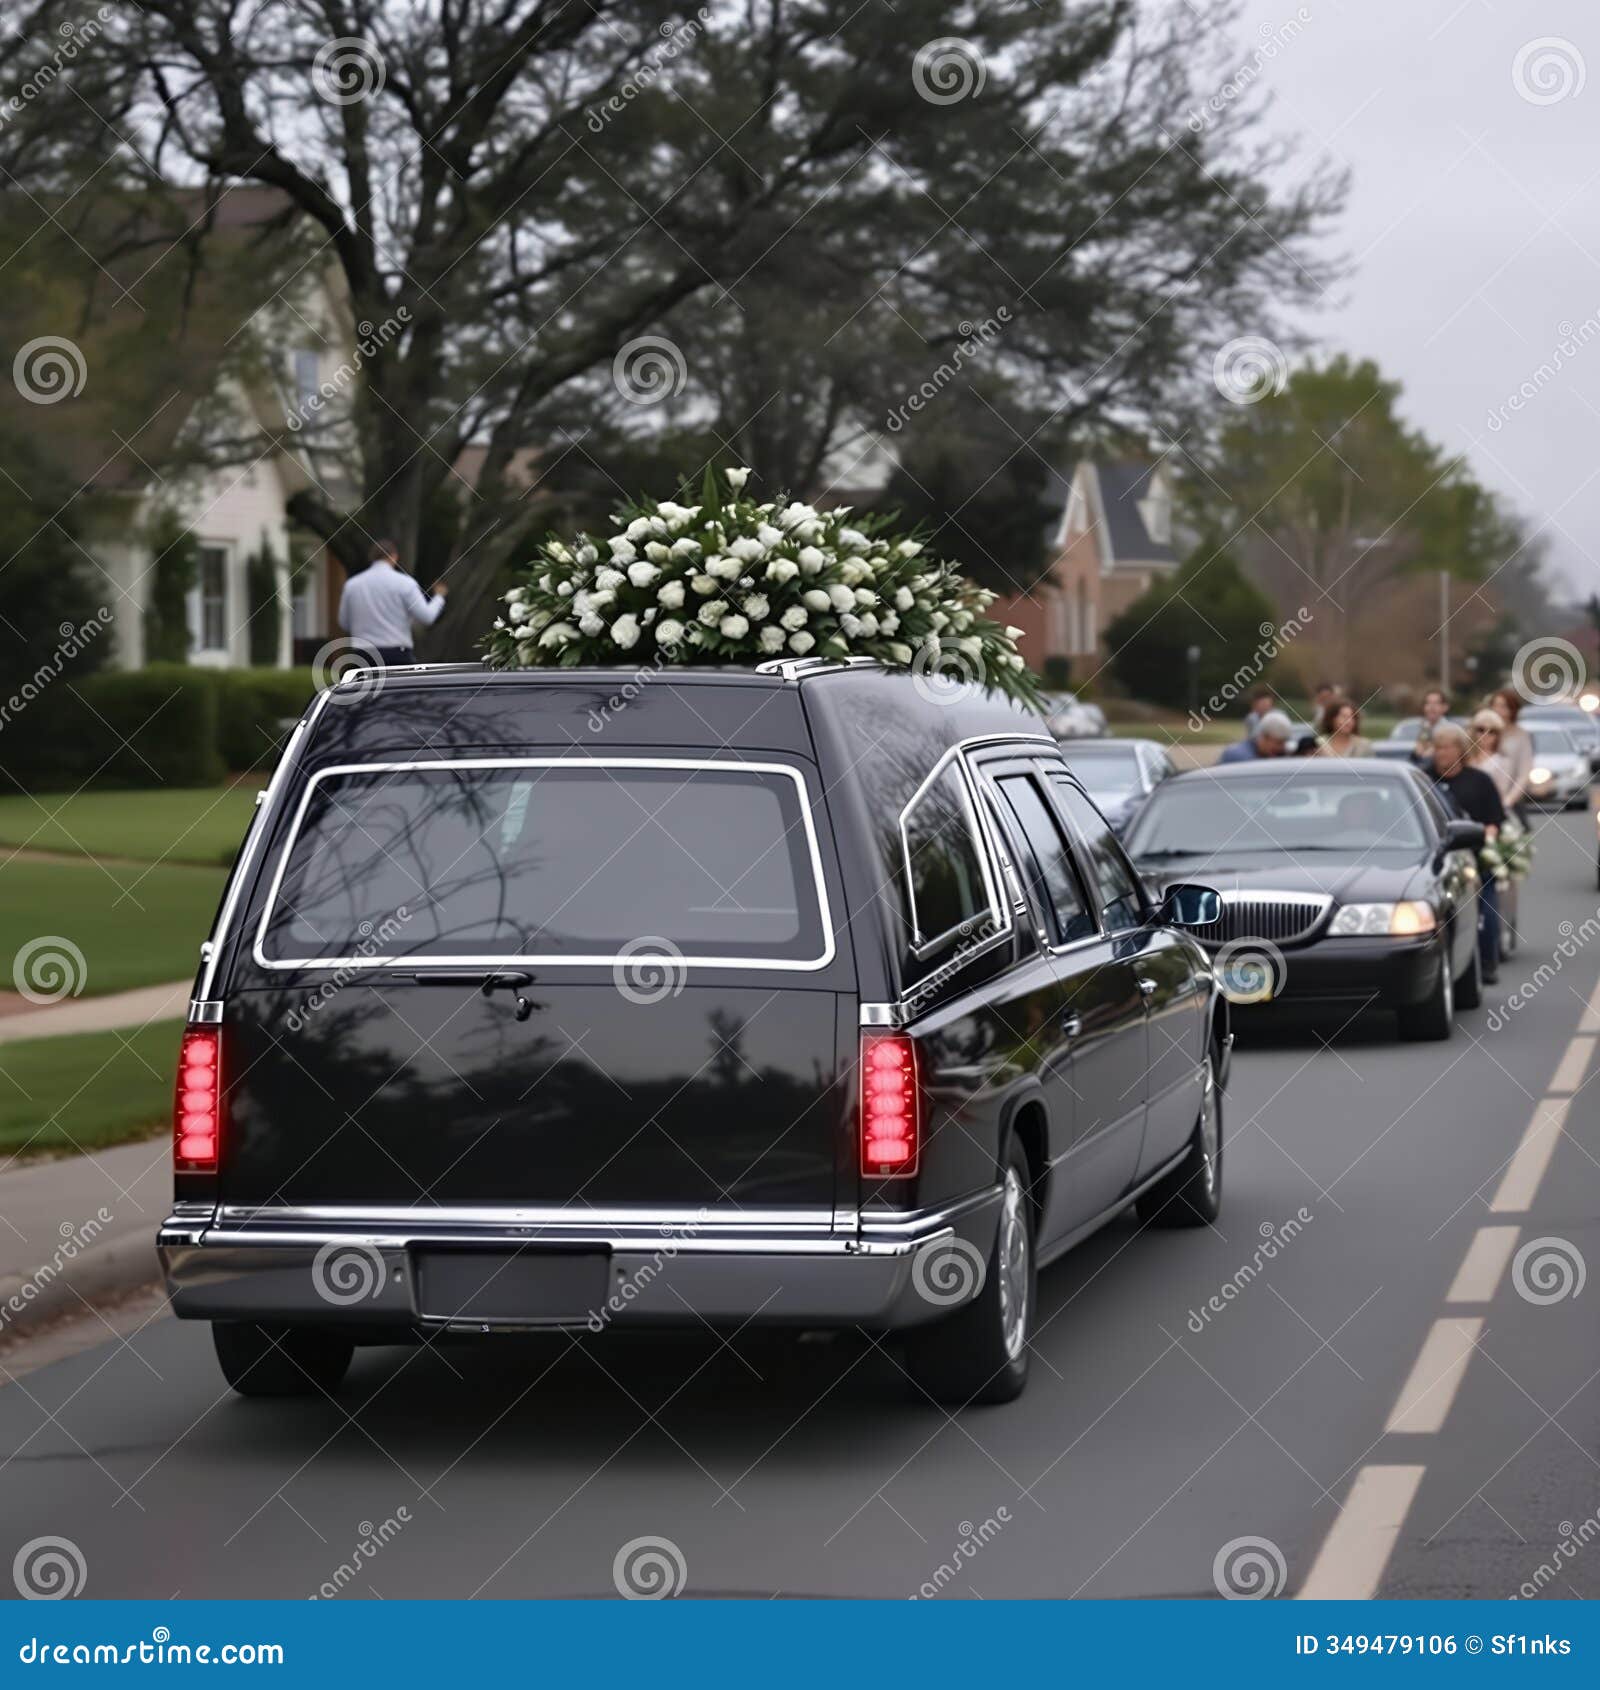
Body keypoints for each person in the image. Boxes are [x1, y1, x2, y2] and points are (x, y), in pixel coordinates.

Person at [1431, 722, 1503, 984]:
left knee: (1486, 907)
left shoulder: (1479, 781)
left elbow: (1495, 820)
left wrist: (1489, 841)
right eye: (1437, 747)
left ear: (1460, 750)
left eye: (1447, 747)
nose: (1441, 753)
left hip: (1476, 855)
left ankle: (1487, 961)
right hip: (1441, 859)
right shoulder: (1426, 780)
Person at [338, 540, 448, 664]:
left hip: (363, 655)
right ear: (394, 557)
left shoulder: (352, 585)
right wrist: (439, 597)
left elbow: (344, 623)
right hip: (396, 654)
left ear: (371, 558)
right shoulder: (405, 583)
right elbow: (427, 617)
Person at [1219, 709, 1293, 763]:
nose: (1282, 747)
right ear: (1263, 737)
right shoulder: (1236, 756)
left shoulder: (1278, 756)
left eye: (1284, 742)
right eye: (1279, 743)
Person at [1411, 687, 1452, 764]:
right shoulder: (1422, 728)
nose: (1431, 707)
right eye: (1428, 703)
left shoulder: (1450, 730)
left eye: (1436, 703)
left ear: (1445, 707)